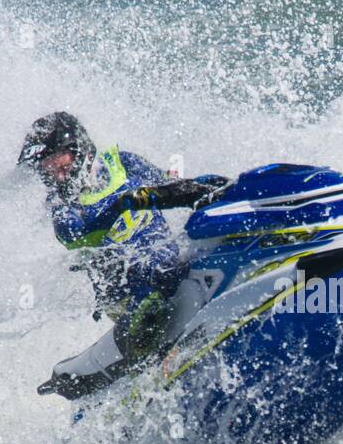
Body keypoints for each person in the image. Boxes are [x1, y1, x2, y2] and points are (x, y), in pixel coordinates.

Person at [16, 111, 230, 362]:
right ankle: (152, 346)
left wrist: (213, 189)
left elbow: (169, 186)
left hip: (170, 265)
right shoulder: (61, 204)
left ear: (79, 148)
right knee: (121, 268)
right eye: (46, 167)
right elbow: (75, 236)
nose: (54, 173)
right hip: (124, 290)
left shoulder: (122, 163)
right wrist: (120, 206)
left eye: (56, 161)